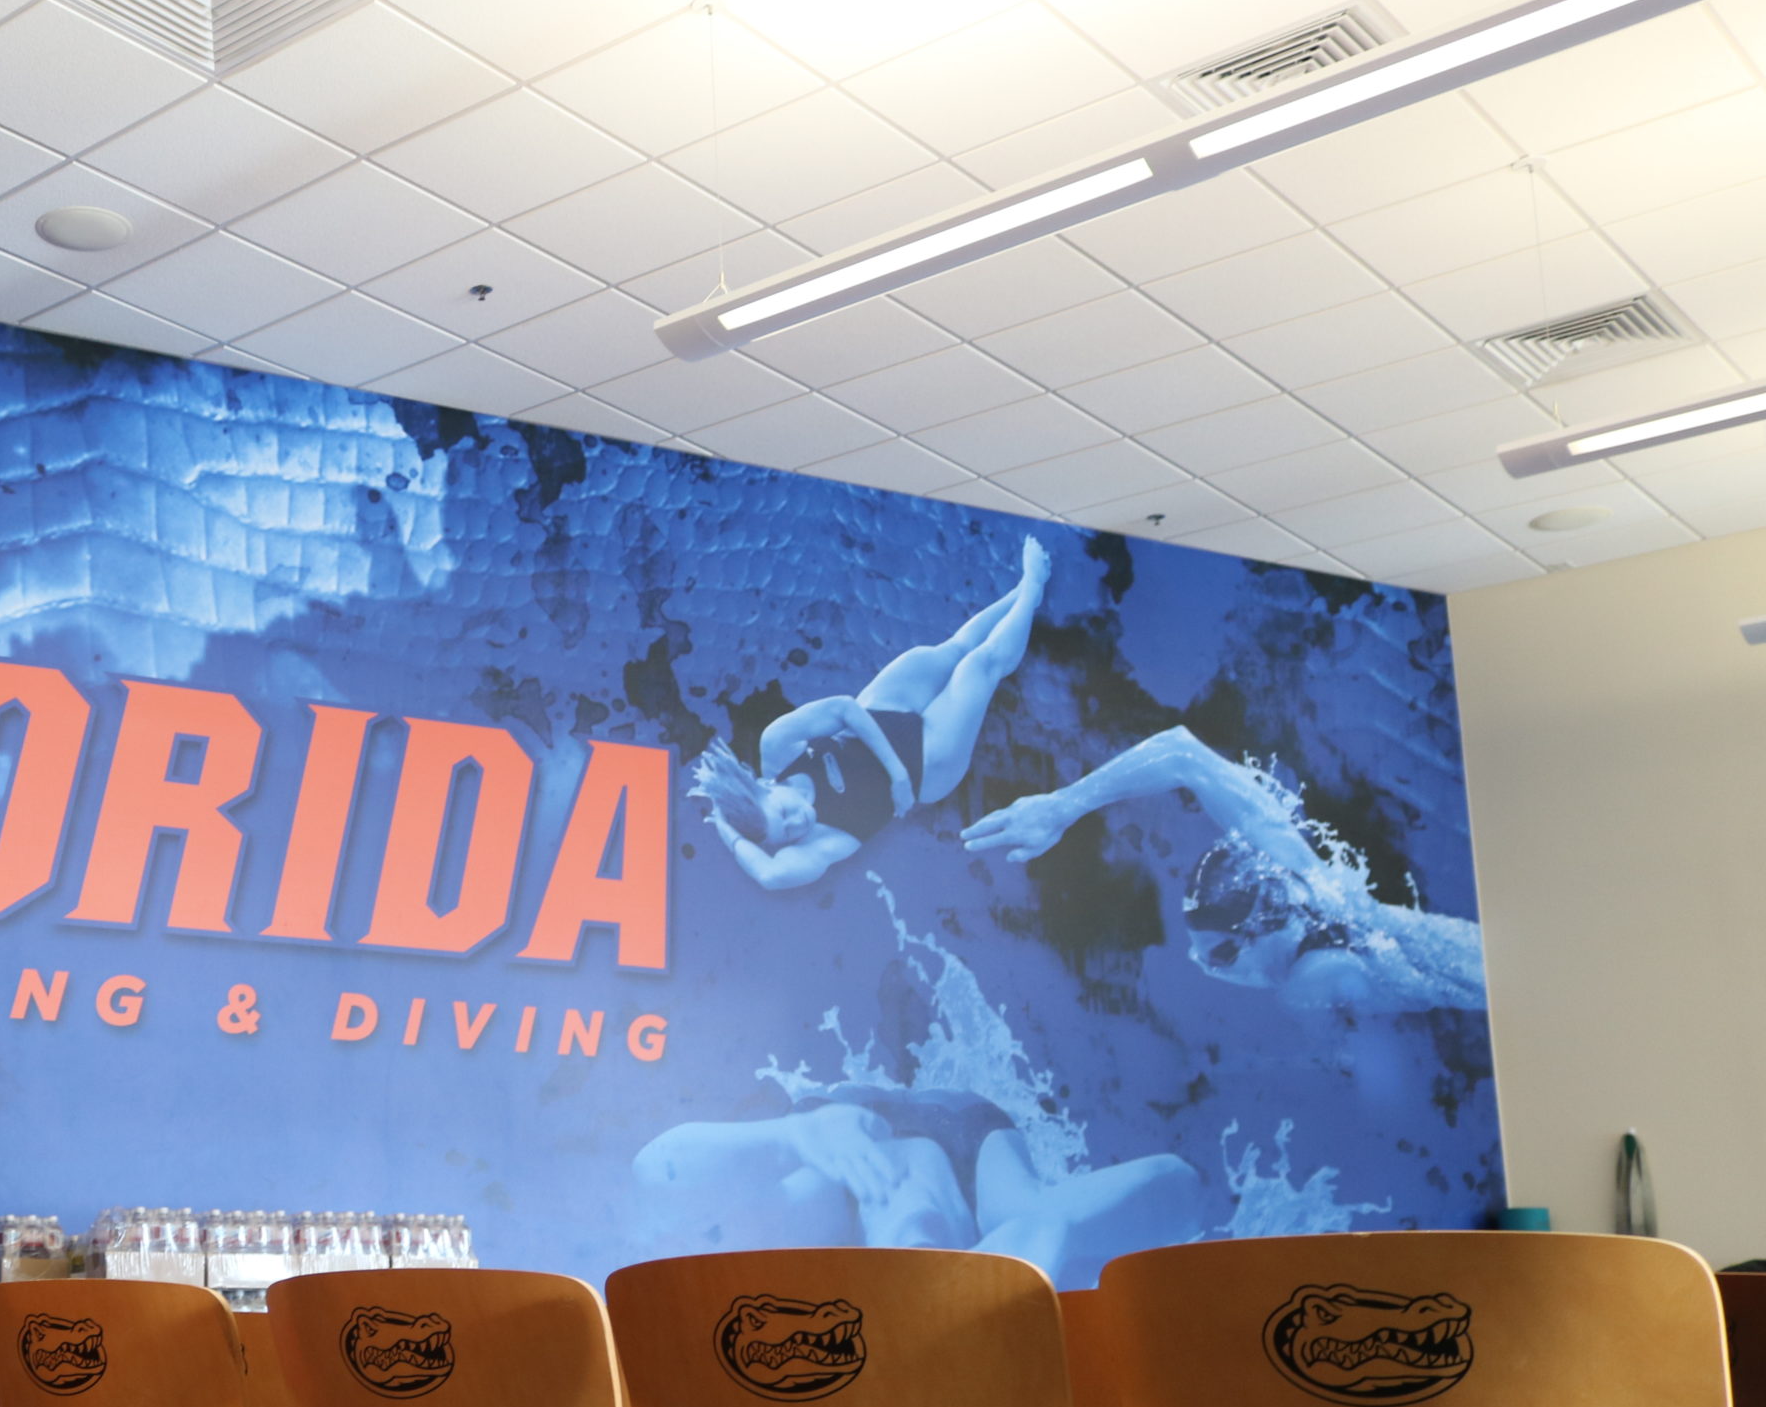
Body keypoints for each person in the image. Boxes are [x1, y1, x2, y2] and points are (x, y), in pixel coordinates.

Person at [960, 725, 1485, 1013]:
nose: (1211, 968)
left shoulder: (1315, 981)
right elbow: (1182, 751)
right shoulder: (1306, 875)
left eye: (1223, 955)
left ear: (1265, 924)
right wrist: (1062, 805)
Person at [690, 537, 1048, 890]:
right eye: (787, 835)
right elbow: (770, 875)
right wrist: (726, 826)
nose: (798, 822)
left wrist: (896, 777)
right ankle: (1032, 586)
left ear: (766, 785)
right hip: (927, 765)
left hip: (883, 720)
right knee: (978, 666)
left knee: (954, 649)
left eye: (785, 813)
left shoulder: (778, 746)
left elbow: (844, 707)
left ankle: (1020, 595)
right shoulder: (823, 840)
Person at [632, 1084, 1203, 1288]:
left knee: (1035, 1220)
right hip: (966, 1169)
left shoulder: (810, 1205)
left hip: (847, 1135)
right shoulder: (1015, 1227)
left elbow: (655, 1173)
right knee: (1037, 1222)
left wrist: (790, 1134)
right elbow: (1177, 1189)